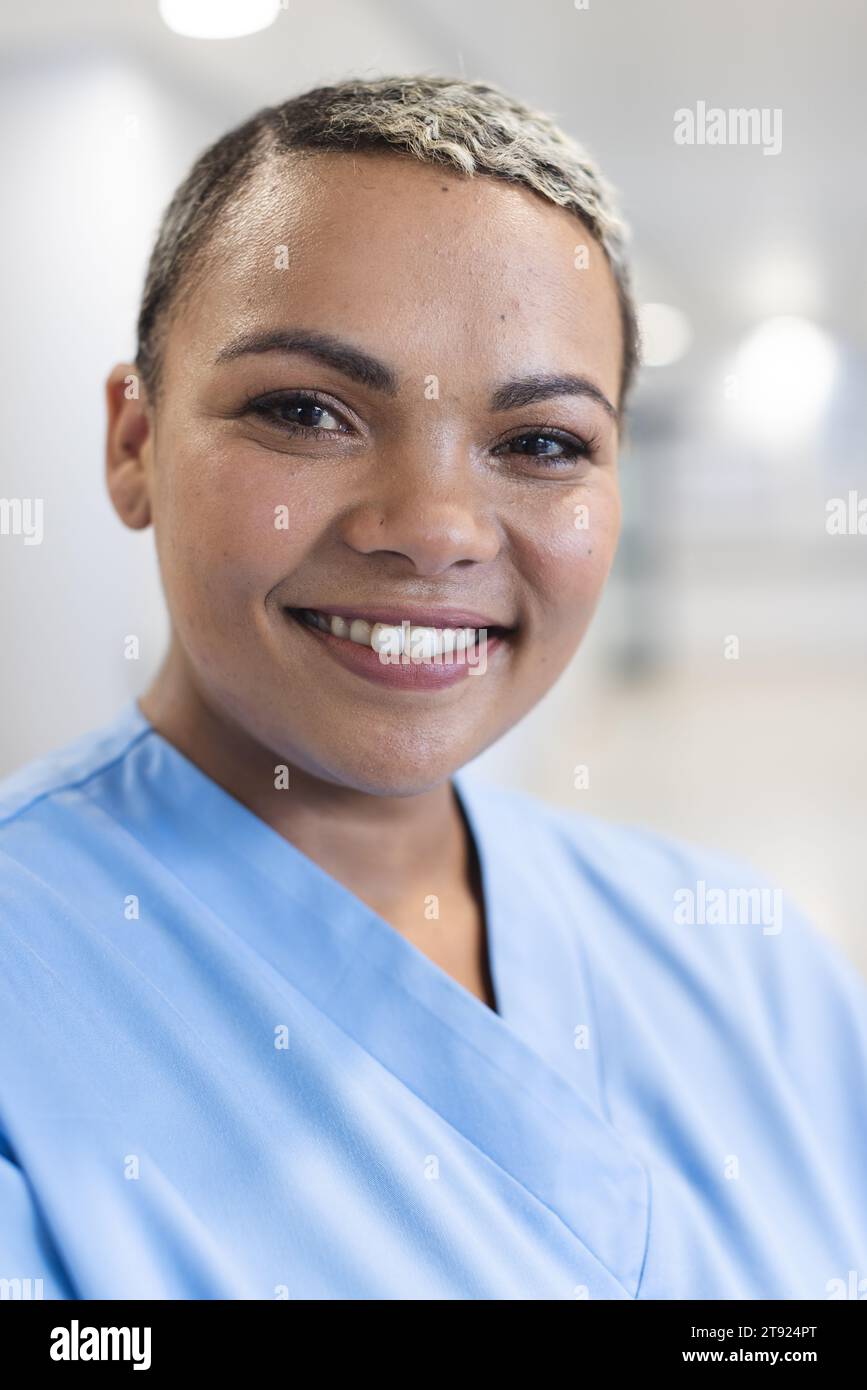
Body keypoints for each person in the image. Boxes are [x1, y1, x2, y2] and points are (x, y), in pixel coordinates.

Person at [1, 75, 865, 1301]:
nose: (436, 529)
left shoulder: (749, 963)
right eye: (306, 411)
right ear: (134, 442)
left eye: (542, 443)